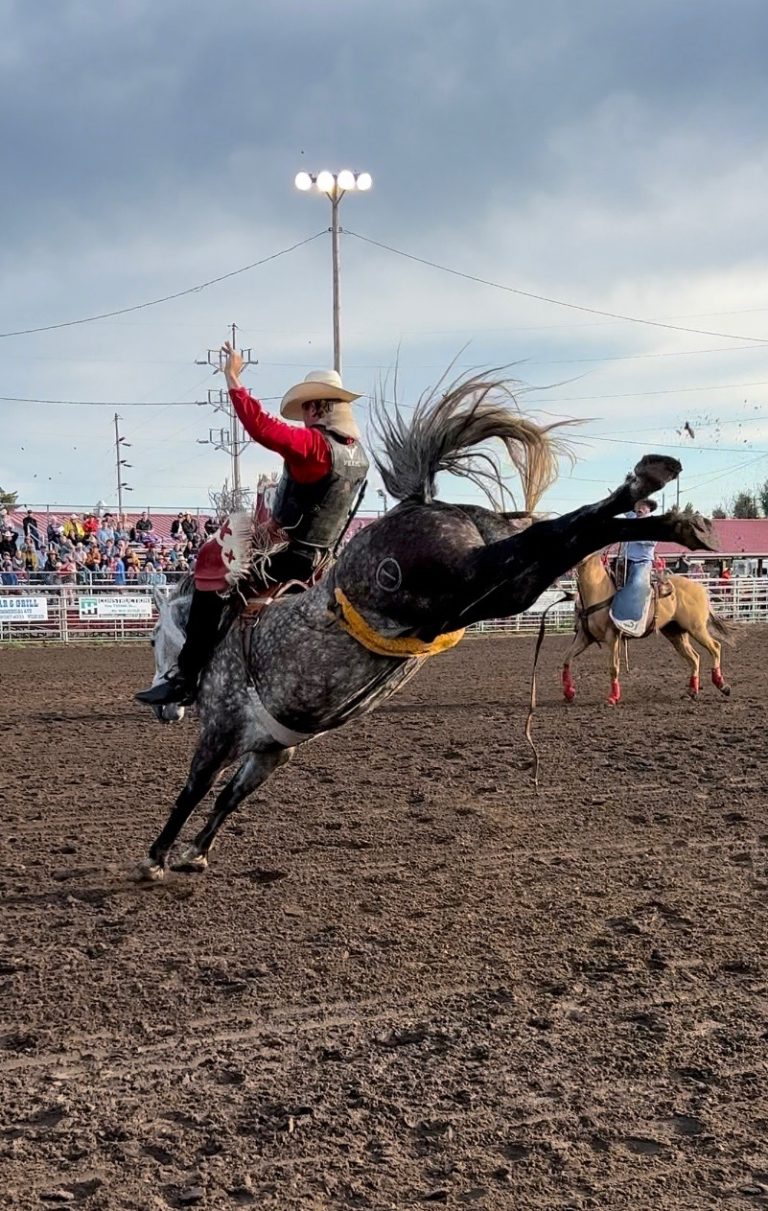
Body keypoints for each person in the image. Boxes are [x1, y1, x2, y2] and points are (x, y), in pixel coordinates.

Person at [136, 343, 369, 707]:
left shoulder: (314, 446)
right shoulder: (357, 454)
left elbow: (262, 428)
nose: (305, 413)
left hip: (289, 554)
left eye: (309, 405)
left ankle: (186, 674)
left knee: (212, 560)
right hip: (324, 557)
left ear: (323, 407)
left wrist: (233, 380)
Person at [609, 498, 658, 638]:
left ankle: (632, 621)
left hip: (642, 562)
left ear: (649, 508)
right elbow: (624, 510)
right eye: (637, 505)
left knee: (636, 585)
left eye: (642, 505)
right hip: (624, 561)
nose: (638, 508)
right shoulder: (633, 517)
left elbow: (651, 541)